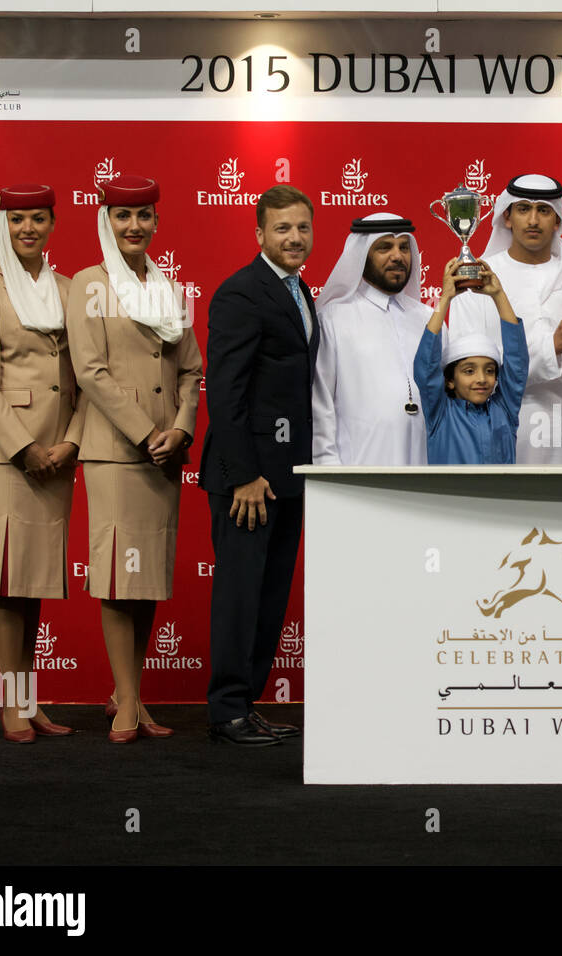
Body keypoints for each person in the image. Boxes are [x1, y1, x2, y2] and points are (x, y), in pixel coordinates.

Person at [66, 174, 202, 744]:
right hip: (118, 450)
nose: (134, 225)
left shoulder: (168, 287)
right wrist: (149, 431)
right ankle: (125, 703)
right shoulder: (87, 284)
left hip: (165, 454)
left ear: (156, 222)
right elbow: (90, 372)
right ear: (106, 220)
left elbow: (192, 368)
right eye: (123, 215)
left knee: (144, 580)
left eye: (144, 215)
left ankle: (132, 696)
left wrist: (183, 426)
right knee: (120, 578)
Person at [0, 184, 86, 743]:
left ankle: (28, 702)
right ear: (2, 225)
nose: (28, 229)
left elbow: (85, 380)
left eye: (38, 219)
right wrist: (24, 448)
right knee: (7, 580)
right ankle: (11, 704)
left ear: (54, 223)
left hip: (56, 455)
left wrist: (72, 442)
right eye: (17, 220)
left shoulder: (66, 288)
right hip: (8, 456)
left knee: (31, 581)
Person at [200, 185, 318, 746]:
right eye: (282, 229)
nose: (294, 238)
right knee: (241, 595)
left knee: (270, 596)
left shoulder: (299, 291)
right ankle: (226, 710)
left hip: (289, 475)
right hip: (247, 479)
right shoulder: (240, 294)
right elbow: (224, 395)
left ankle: (246, 703)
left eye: (302, 227)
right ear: (260, 235)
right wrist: (245, 474)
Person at [447, 174, 562, 463]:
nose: (534, 220)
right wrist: (550, 347)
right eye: (524, 209)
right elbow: (466, 371)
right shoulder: (478, 280)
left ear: (558, 221)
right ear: (508, 217)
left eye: (544, 210)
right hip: (500, 428)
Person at [311, 214, 429, 465]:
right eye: (385, 247)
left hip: (425, 469)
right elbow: (320, 404)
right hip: (357, 472)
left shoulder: (428, 319)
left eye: (404, 247)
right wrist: (328, 470)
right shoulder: (332, 318)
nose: (397, 256)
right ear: (362, 255)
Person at [414, 258, 528, 464]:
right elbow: (425, 368)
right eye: (469, 371)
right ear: (450, 380)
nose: (482, 378)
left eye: (490, 370)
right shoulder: (440, 413)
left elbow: (517, 362)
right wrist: (445, 299)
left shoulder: (504, 410)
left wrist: (498, 295)